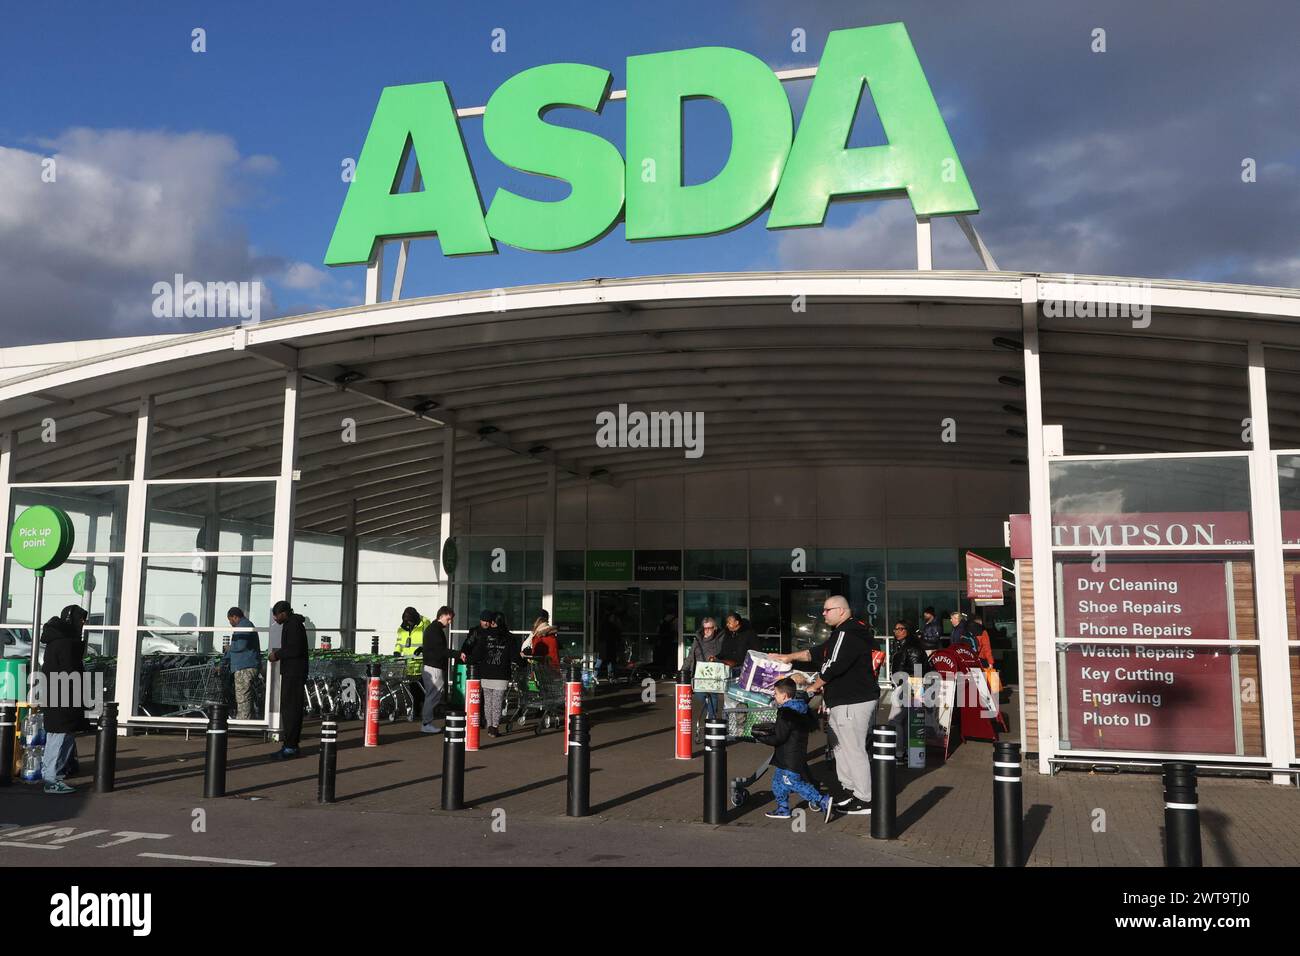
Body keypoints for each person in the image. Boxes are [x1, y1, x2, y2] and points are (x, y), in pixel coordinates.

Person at [770, 595, 878, 816]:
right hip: (843, 701)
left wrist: (811, 688)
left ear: (841, 610)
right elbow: (817, 652)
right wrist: (789, 657)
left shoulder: (847, 632)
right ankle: (849, 791)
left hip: (853, 701)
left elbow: (832, 667)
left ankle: (864, 798)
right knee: (840, 747)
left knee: (853, 749)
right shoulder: (841, 634)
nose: (823, 614)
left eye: (827, 610)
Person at [751, 677, 827, 820]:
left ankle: (822, 800)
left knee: (793, 782)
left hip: (789, 757)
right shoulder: (801, 709)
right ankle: (783, 809)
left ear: (784, 696)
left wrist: (760, 737)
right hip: (791, 754)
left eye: (776, 693)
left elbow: (779, 737)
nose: (774, 696)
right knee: (777, 783)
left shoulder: (785, 713)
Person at [38, 605, 88, 794]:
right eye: (81, 619)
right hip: (62, 697)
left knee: (59, 735)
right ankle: (52, 778)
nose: (83, 623)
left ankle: (52, 774)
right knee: (59, 736)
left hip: (56, 695)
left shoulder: (57, 640)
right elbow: (70, 671)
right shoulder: (66, 643)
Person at [467, 613, 520, 737]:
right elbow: (515, 657)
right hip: (501, 674)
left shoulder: (485, 635)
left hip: (486, 672)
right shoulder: (509, 637)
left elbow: (477, 654)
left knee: (488, 701)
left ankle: (489, 724)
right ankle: (494, 727)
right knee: (497, 701)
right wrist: (523, 662)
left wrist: (469, 659)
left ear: (492, 623)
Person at [887, 620, 933, 760]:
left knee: (894, 720)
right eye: (895, 629)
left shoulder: (911, 647)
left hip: (908, 687)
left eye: (900, 629)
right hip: (908, 686)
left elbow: (916, 672)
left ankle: (899, 753)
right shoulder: (905, 645)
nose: (896, 632)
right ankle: (906, 752)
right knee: (906, 721)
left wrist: (909, 689)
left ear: (907, 630)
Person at [268, 600, 308, 760]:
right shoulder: (294, 624)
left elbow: (294, 648)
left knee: (290, 709)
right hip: (294, 672)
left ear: (284, 613)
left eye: (276, 615)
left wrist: (276, 655)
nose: (275, 619)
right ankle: (291, 744)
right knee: (291, 709)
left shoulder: (292, 625)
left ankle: (290, 747)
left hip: (294, 673)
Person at [685, 617, 726, 737]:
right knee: (699, 694)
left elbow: (722, 654)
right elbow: (690, 657)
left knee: (712, 694)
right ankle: (711, 710)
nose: (707, 630)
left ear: (715, 628)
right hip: (698, 673)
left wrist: (715, 658)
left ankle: (712, 719)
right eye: (705, 628)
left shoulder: (720, 639)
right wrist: (683, 670)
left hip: (712, 671)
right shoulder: (697, 639)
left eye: (710, 628)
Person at [222, 607, 261, 721]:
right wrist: (224, 661)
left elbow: (240, 646)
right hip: (248, 665)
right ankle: (249, 719)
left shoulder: (243, 626)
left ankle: (243, 721)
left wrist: (229, 647)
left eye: (230, 620)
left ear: (235, 617)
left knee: (242, 696)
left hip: (244, 667)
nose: (230, 623)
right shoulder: (246, 625)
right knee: (247, 696)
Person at [420, 606, 453, 733]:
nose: (449, 622)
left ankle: (426, 722)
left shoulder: (433, 629)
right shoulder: (435, 630)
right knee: (433, 695)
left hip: (431, 665)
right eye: (448, 619)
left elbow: (432, 647)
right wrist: (457, 654)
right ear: (442, 615)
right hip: (434, 667)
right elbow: (440, 650)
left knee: (432, 695)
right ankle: (426, 723)